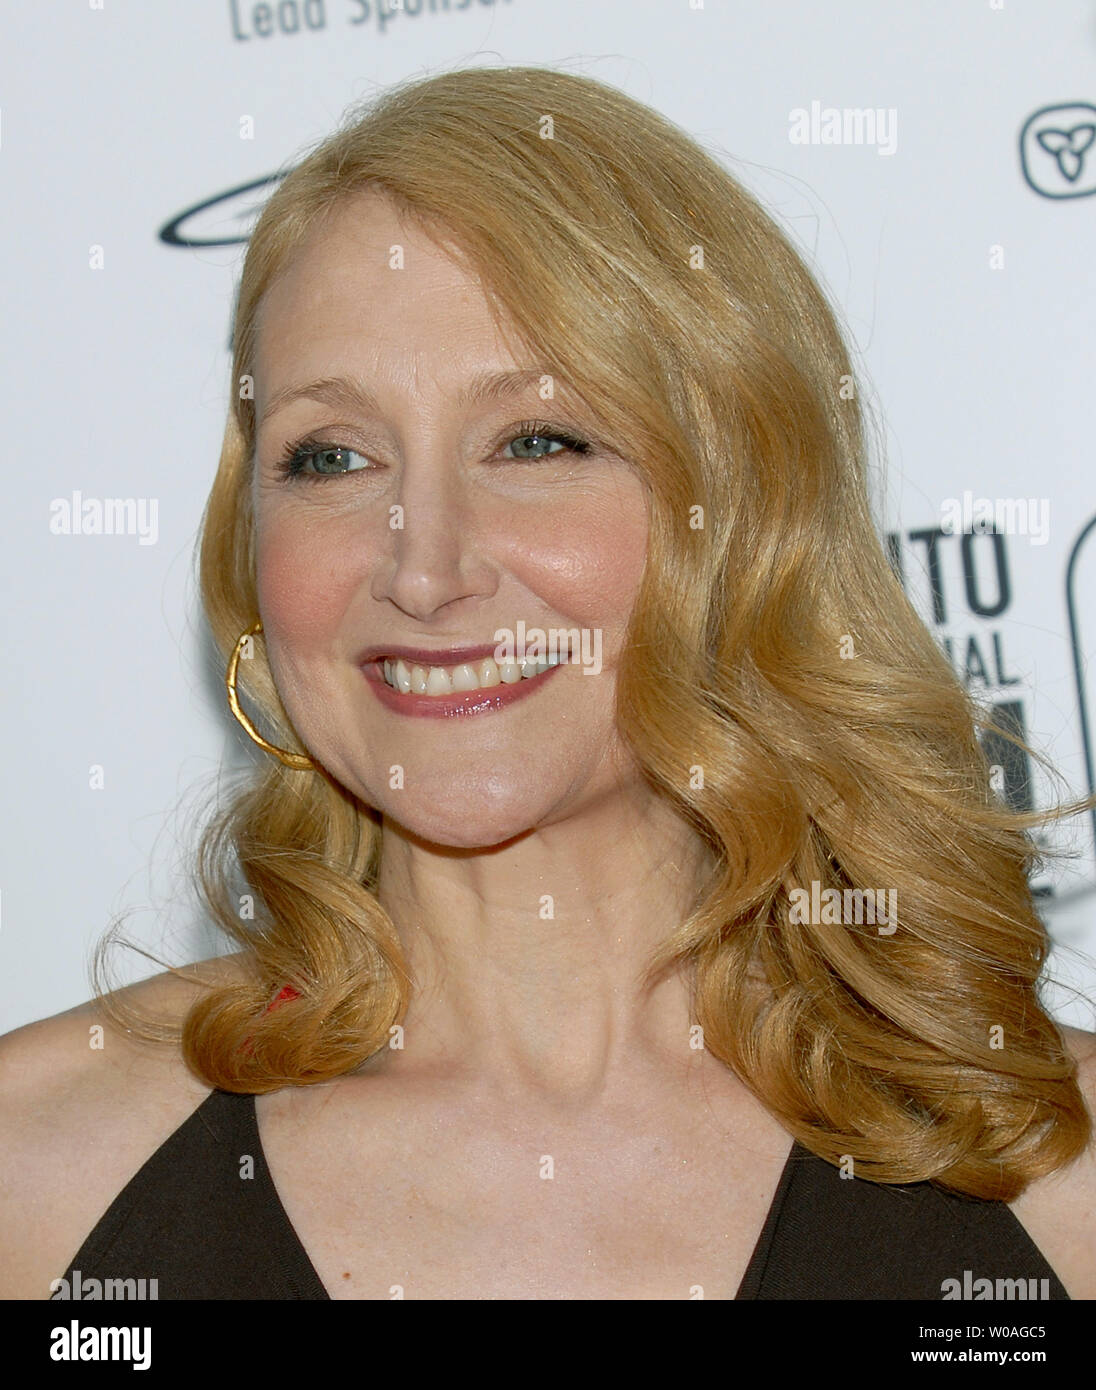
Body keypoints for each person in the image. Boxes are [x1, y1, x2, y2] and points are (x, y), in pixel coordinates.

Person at [2, 64, 1095, 1301]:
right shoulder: (36, 1183)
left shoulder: (1056, 1185)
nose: (424, 566)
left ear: (741, 510)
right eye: (333, 455)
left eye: (537, 441)